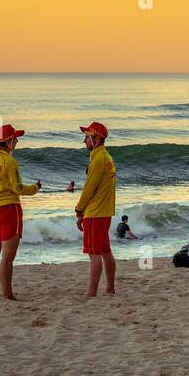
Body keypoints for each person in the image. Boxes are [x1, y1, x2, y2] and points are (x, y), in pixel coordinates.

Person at [0, 123, 41, 301]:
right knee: (7, 257)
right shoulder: (10, 162)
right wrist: (35, 188)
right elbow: (18, 188)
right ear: (9, 141)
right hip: (8, 210)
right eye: (16, 138)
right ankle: (8, 295)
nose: (18, 141)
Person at [75, 121, 117, 297]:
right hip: (105, 211)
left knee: (94, 253)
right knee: (105, 251)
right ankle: (109, 288)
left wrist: (79, 210)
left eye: (87, 137)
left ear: (97, 139)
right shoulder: (107, 157)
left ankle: (91, 292)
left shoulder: (98, 159)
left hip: (95, 212)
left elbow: (89, 188)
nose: (84, 141)